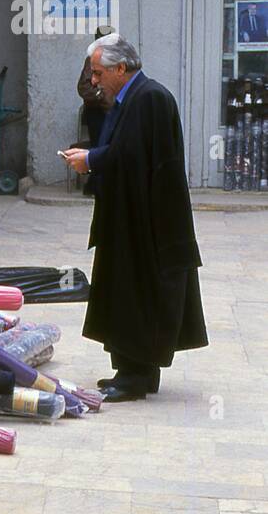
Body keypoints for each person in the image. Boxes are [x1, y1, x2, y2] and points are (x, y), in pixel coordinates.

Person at [60, 34, 208, 402]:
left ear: (120, 68)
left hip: (147, 221)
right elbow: (123, 148)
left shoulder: (150, 98)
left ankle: (135, 376)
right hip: (129, 215)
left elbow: (131, 155)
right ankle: (134, 371)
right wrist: (92, 155)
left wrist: (91, 160)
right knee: (128, 291)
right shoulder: (131, 99)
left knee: (137, 292)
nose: (93, 81)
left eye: (98, 73)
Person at [76, 24, 114, 148]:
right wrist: (101, 95)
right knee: (100, 149)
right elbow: (84, 87)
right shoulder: (92, 60)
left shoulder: (117, 60)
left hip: (114, 112)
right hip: (98, 112)